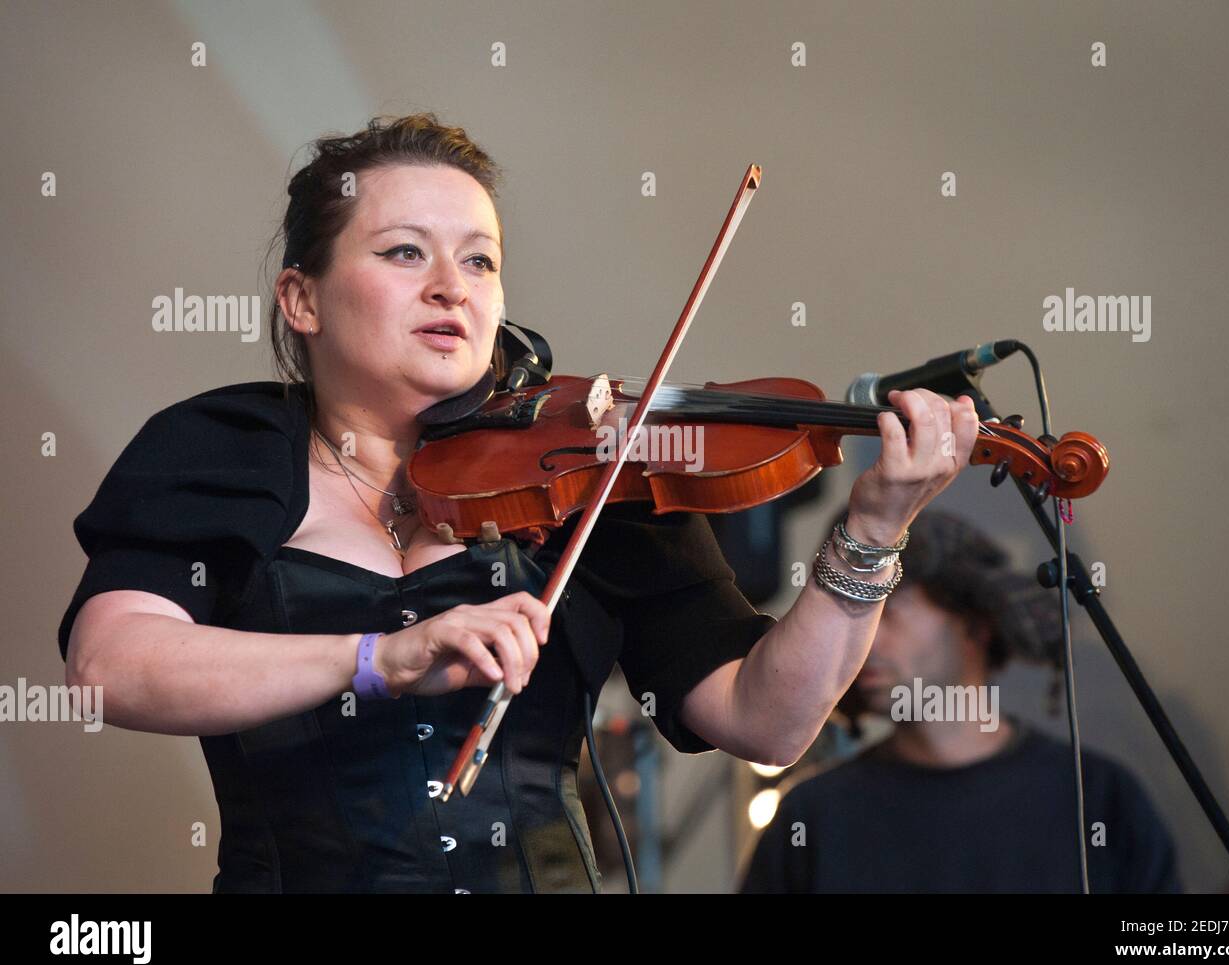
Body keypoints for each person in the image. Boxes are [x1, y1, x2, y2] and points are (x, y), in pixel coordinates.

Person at [57, 112, 982, 893]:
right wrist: (378, 657)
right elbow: (113, 664)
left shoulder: (590, 470)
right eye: (404, 252)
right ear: (302, 297)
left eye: (481, 262)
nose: (451, 288)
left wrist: (874, 529)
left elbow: (766, 720)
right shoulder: (220, 450)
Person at [738, 510, 1183, 893]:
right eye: (852, 614)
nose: (862, 641)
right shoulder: (810, 818)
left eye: (886, 609)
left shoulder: (1099, 799)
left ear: (975, 622)